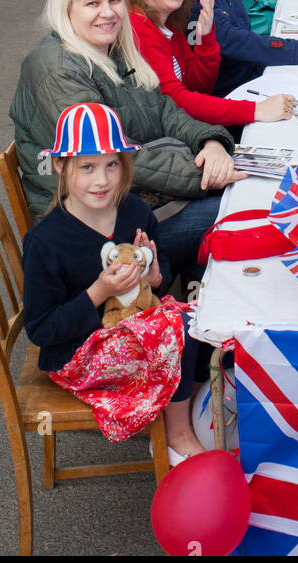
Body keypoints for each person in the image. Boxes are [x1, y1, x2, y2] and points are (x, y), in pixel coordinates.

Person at [9, 0, 238, 275]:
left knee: (232, 223)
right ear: (66, 9)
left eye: (114, 0)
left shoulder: (111, 48)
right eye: (92, 3)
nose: (108, 12)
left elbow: (165, 112)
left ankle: (198, 306)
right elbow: (114, 158)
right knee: (236, 211)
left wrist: (211, 143)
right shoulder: (56, 70)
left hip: (130, 204)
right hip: (91, 234)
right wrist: (206, 178)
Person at [22, 102, 211, 464]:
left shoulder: (134, 211)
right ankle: (177, 434)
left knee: (205, 322)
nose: (102, 180)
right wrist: (99, 292)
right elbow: (41, 329)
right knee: (179, 329)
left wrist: (155, 275)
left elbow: (160, 276)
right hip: (77, 353)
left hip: (132, 326)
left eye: (112, 164)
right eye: (87, 167)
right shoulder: (45, 242)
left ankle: (191, 410)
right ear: (60, 166)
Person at [124, 0, 295, 129]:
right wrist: (255, 110)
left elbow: (198, 87)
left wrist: (205, 39)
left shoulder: (168, 20)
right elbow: (178, 102)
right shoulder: (139, 29)